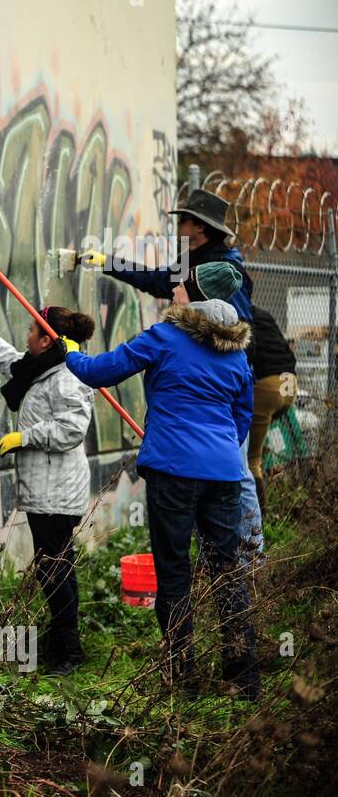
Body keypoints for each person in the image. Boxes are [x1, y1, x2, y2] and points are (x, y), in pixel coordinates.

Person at [63, 261, 259, 699]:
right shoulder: (237, 351)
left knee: (173, 574)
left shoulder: (165, 336)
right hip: (225, 473)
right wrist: (219, 450)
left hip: (174, 471)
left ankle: (182, 679)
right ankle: (244, 682)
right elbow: (241, 417)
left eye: (181, 286)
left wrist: (68, 352)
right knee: (227, 571)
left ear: (194, 293)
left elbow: (98, 373)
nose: (174, 291)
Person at [82, 188, 262, 557]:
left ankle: (250, 552)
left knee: (238, 473)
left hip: (221, 383)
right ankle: (228, 559)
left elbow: (238, 328)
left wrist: (208, 354)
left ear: (199, 227)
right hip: (202, 378)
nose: (176, 225)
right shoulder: (189, 260)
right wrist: (109, 262)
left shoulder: (226, 267)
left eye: (183, 220)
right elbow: (158, 281)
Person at [0, 297, 97, 674]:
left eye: (31, 330)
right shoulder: (42, 367)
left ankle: (69, 652)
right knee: (57, 564)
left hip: (57, 490)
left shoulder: (66, 376)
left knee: (52, 567)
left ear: (46, 339)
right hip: (48, 488)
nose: (26, 334)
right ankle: (63, 645)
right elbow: (10, 361)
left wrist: (25, 437)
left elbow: (72, 428)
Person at [243, 303, 296, 519]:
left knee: (250, 459)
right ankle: (276, 484)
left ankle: (259, 519)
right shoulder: (263, 313)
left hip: (268, 386)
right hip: (290, 383)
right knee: (260, 443)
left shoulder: (240, 316)